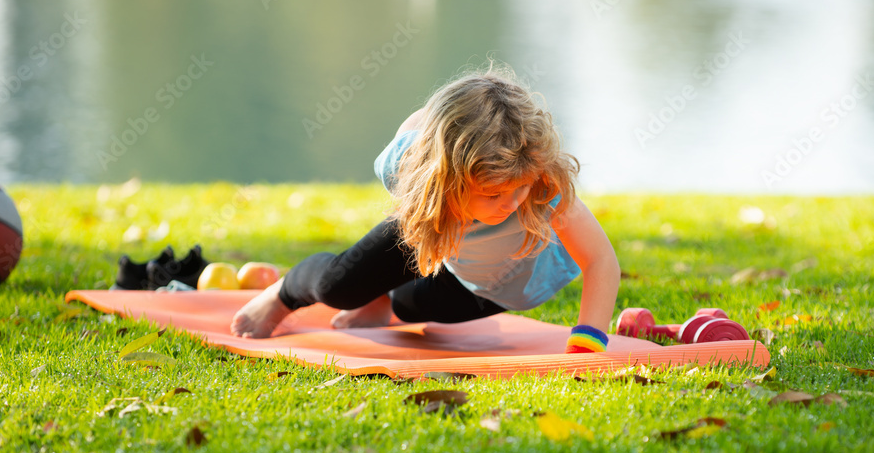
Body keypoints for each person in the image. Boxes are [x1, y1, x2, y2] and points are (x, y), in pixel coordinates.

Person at [231, 67, 620, 354]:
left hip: (490, 290)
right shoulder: (411, 169)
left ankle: (384, 299)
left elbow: (600, 260)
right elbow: (419, 127)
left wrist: (587, 341)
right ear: (447, 176)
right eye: (492, 194)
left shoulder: (545, 190)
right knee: (340, 288)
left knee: (409, 305)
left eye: (519, 188)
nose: (510, 203)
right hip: (437, 226)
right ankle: (281, 294)